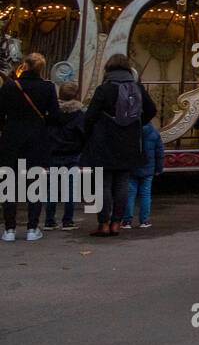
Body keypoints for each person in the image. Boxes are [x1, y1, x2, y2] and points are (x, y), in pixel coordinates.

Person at [82, 54, 155, 239]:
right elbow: (151, 110)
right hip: (129, 141)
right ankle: (117, 223)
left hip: (105, 139)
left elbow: (90, 116)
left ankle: (103, 223)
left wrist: (90, 131)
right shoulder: (137, 88)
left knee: (104, 183)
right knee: (122, 182)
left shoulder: (104, 89)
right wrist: (135, 123)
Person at [0, 53, 61, 241]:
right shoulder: (48, 87)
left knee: (9, 183)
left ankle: (9, 229)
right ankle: (32, 228)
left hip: (12, 138)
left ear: (24, 65)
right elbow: (55, 116)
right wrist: (41, 122)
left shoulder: (9, 87)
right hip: (37, 139)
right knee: (35, 183)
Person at [44, 82, 86, 231]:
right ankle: (67, 220)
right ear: (75, 95)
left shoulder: (52, 113)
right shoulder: (79, 115)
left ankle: (49, 220)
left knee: (52, 188)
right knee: (71, 189)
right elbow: (83, 134)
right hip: (72, 154)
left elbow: (46, 132)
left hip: (54, 153)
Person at [122, 119, 164, 229]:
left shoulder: (129, 131)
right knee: (145, 194)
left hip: (132, 167)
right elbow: (159, 152)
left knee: (130, 195)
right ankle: (144, 221)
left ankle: (127, 221)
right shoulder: (154, 133)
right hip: (148, 168)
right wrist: (159, 168)